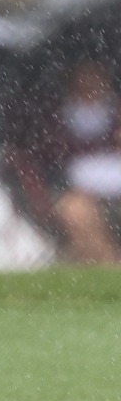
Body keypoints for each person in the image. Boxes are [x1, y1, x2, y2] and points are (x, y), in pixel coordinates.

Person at [47, 60, 121, 264]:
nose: (91, 82)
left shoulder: (114, 110)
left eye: (96, 75)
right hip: (78, 190)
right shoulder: (58, 113)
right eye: (85, 76)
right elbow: (53, 153)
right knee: (77, 213)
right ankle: (111, 266)